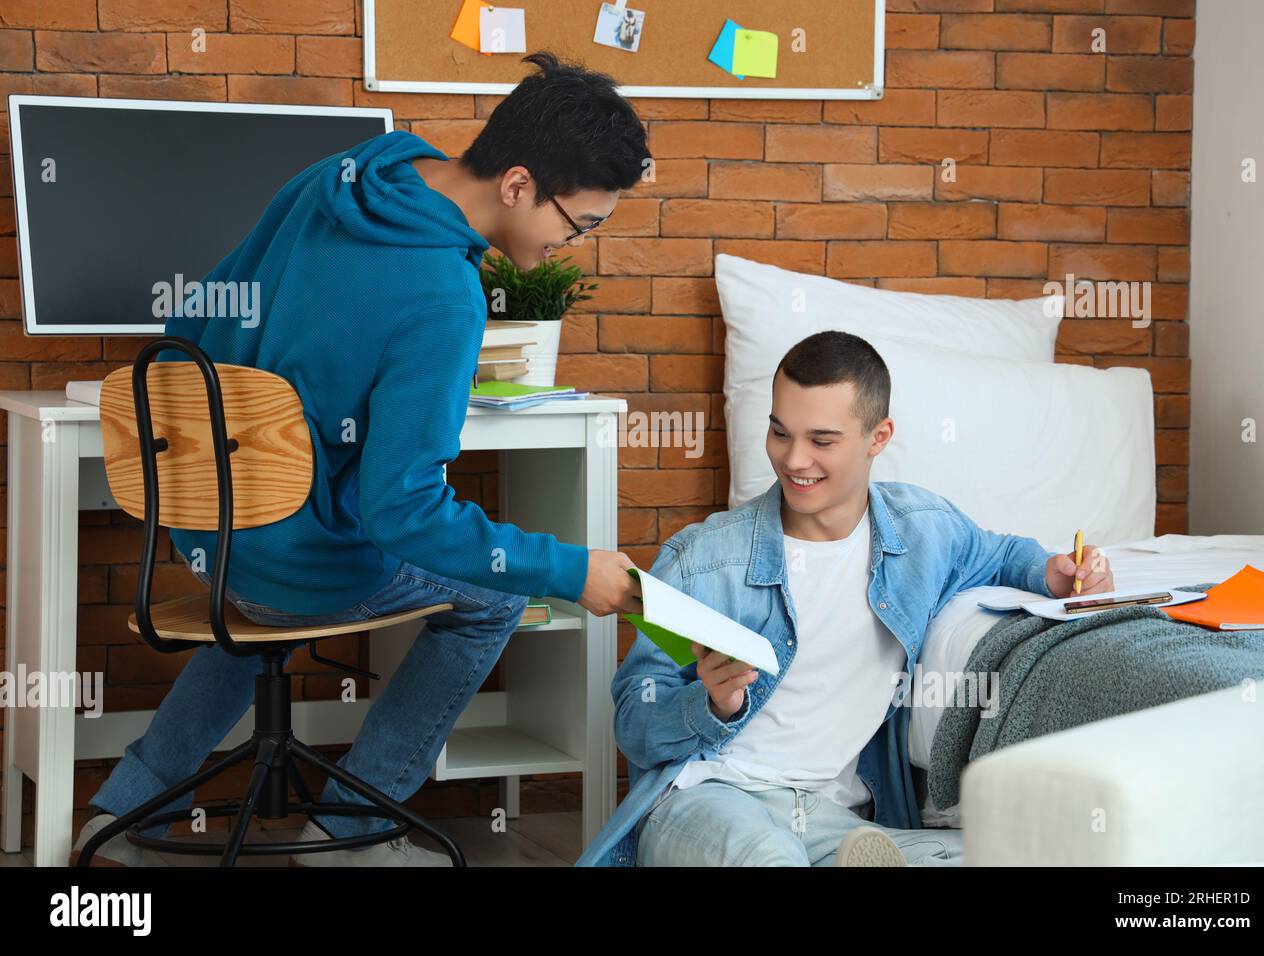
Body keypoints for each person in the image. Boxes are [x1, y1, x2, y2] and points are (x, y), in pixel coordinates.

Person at [74, 51, 649, 867]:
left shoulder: (345, 175)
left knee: (265, 601)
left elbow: (197, 319)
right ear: (519, 184)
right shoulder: (444, 299)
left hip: (213, 539)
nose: (571, 245)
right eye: (578, 223)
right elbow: (402, 511)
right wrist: (569, 570)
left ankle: (125, 811)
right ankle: (348, 835)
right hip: (290, 567)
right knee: (494, 596)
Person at [577, 330, 1114, 867]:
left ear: (879, 437)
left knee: (1002, 858)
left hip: (833, 818)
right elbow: (634, 720)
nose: (794, 459)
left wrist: (1054, 573)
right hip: (708, 798)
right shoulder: (706, 558)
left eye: (821, 440)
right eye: (780, 432)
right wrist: (711, 704)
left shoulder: (921, 530)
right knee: (769, 857)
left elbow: (1000, 553)